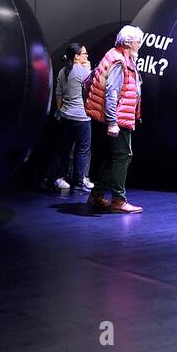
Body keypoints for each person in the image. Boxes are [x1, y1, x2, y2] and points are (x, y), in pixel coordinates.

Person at [85, 25, 144, 214]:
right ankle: (118, 199)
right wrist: (112, 122)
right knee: (123, 156)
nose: (139, 44)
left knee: (112, 157)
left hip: (115, 118)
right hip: (118, 119)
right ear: (128, 42)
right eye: (137, 41)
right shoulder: (120, 61)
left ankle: (97, 195)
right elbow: (112, 93)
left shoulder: (116, 55)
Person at [49, 43, 94, 192]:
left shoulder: (62, 71)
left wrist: (60, 111)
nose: (87, 56)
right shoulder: (84, 72)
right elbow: (94, 89)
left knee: (65, 148)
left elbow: (58, 94)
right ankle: (79, 180)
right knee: (82, 150)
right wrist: (89, 70)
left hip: (66, 117)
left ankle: (60, 177)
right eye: (84, 54)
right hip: (82, 118)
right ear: (76, 56)